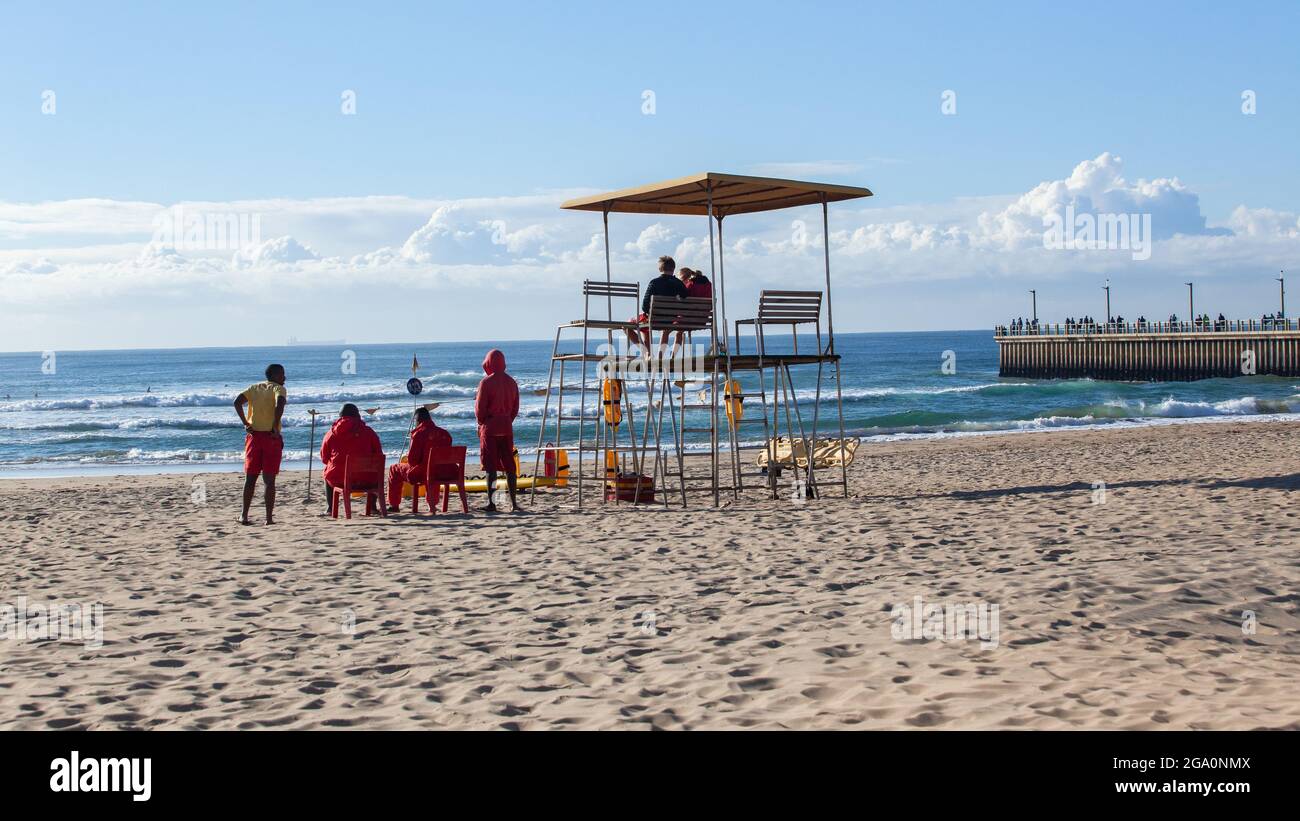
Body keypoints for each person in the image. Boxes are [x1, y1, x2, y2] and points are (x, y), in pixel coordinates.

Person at [233, 364, 287, 526]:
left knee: (250, 478)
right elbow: (280, 403)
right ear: (276, 376)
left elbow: (237, 402)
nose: (285, 378)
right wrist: (275, 425)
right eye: (282, 375)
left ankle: (244, 515)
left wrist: (245, 423)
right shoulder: (278, 389)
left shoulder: (254, 388)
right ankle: (269, 519)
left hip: (254, 436)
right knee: (269, 480)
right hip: (270, 437)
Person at [475, 348, 520, 512]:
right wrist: (508, 420)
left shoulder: (485, 383)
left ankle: (492, 503)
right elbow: (515, 407)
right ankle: (514, 503)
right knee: (510, 466)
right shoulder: (512, 382)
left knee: (490, 467)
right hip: (507, 427)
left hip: (490, 427)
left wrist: (481, 424)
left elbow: (480, 409)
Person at [386, 407, 452, 512]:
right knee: (433, 468)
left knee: (394, 469)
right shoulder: (445, 434)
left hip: (421, 473)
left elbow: (413, 461)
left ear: (417, 420)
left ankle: (394, 505)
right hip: (443, 472)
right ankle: (432, 504)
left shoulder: (419, 434)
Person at [320, 403, 384, 508]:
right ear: (357, 416)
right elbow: (378, 455)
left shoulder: (330, 434)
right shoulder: (369, 432)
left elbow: (324, 458)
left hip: (339, 480)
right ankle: (372, 507)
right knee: (375, 473)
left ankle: (330, 508)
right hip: (367, 479)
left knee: (327, 473)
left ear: (340, 417)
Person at [627, 255, 687, 352]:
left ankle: (646, 353)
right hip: (670, 320)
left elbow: (645, 306)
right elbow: (685, 299)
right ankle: (651, 355)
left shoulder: (654, 283)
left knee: (628, 325)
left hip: (654, 320)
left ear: (660, 268)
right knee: (647, 324)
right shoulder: (679, 284)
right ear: (673, 268)